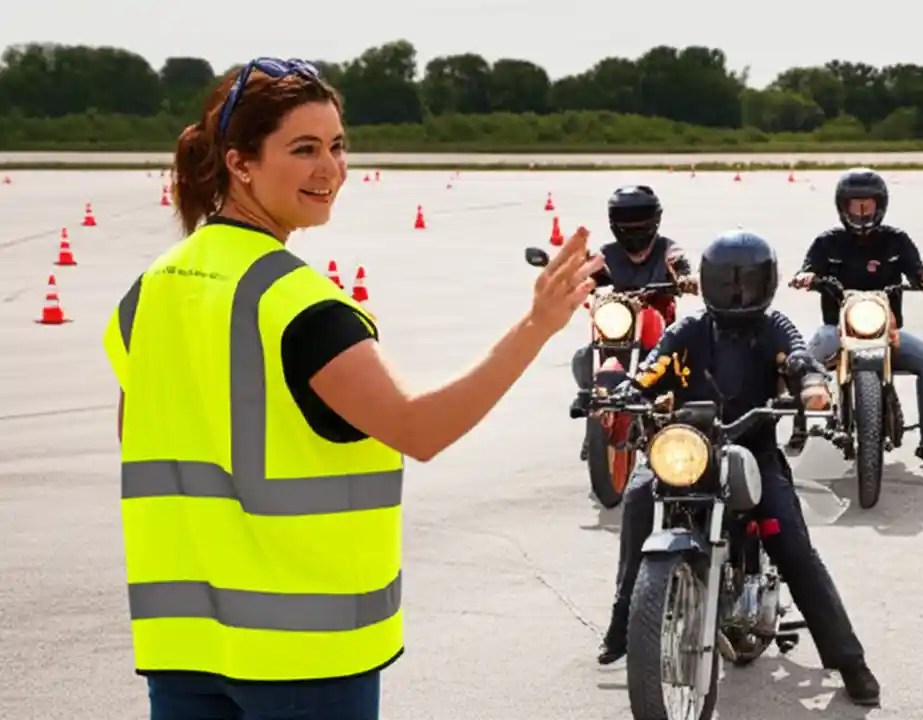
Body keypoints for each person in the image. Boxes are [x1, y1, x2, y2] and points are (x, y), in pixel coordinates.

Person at [100, 57, 602, 720]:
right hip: (304, 656)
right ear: (239, 162)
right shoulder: (296, 303)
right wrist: (537, 326)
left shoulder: (153, 290)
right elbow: (419, 429)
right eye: (303, 149)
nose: (330, 170)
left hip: (184, 644)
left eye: (337, 147)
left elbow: (138, 434)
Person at [593, 229, 882, 707]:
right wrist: (623, 393)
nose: (736, 292)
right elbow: (651, 369)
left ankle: (850, 660)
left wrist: (812, 384)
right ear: (706, 283)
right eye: (727, 283)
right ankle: (626, 620)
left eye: (745, 282)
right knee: (641, 499)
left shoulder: (773, 328)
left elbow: (801, 357)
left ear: (765, 284)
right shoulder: (688, 330)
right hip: (689, 450)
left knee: (792, 545)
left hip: (753, 452)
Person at [789, 167, 923, 476]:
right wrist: (805, 276)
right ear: (843, 207)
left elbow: (916, 268)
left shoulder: (896, 240)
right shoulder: (828, 242)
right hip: (837, 329)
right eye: (856, 205)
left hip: (887, 332)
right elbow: (809, 266)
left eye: (868, 205)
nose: (863, 212)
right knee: (806, 361)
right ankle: (801, 427)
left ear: (880, 206)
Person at [569, 185, 698, 408]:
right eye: (626, 218)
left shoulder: (667, 248)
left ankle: (674, 399)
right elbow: (591, 272)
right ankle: (588, 395)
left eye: (639, 218)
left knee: (688, 361)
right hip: (620, 321)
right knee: (585, 354)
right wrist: (575, 276)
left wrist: (686, 279)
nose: (633, 225)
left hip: (660, 328)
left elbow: (680, 264)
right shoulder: (607, 254)